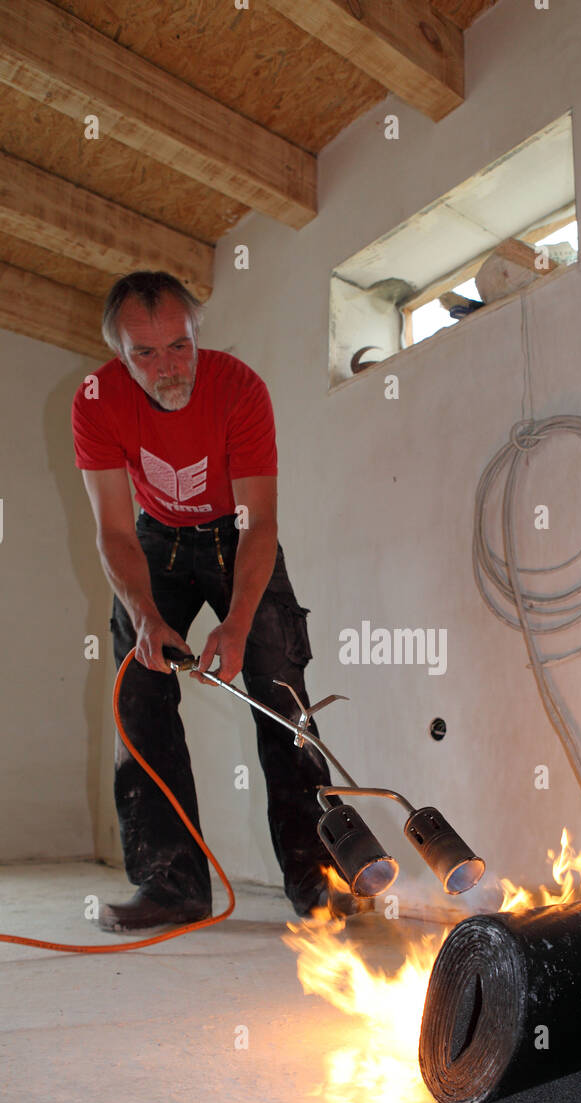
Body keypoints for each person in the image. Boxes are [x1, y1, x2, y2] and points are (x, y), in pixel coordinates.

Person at [72, 270, 365, 930]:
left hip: (235, 534)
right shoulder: (95, 400)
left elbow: (260, 522)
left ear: (197, 333)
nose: (165, 366)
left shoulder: (239, 389)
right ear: (119, 354)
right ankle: (172, 883)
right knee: (136, 695)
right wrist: (145, 616)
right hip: (153, 541)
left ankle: (316, 883)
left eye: (178, 346)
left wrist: (236, 624)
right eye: (143, 353)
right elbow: (114, 531)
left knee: (281, 693)